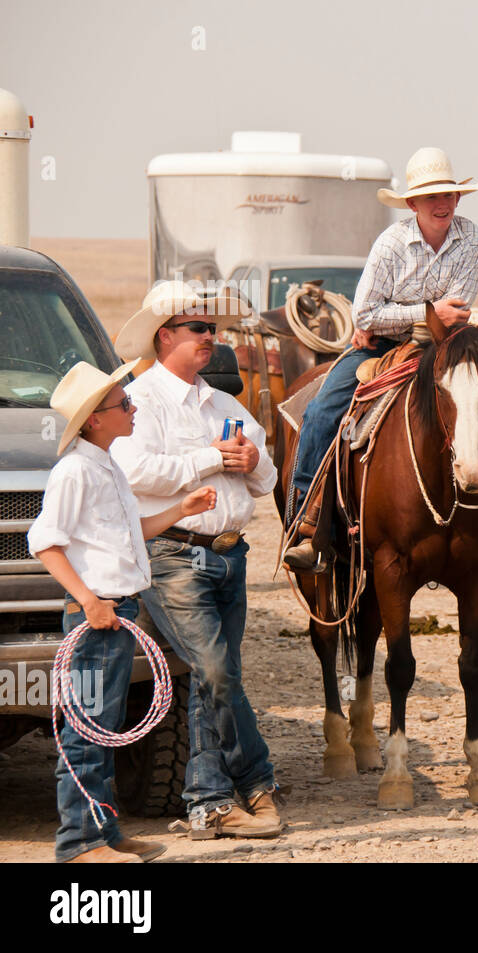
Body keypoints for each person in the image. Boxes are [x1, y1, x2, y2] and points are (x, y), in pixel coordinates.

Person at [283, 147, 478, 570]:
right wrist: (422, 315)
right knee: (321, 412)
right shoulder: (391, 244)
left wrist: (419, 317)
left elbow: (455, 311)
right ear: (413, 205)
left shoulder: (473, 238)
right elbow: (365, 314)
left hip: (443, 347)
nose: (442, 203)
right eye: (431, 197)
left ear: (458, 199)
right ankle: (307, 518)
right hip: (382, 348)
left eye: (448, 195)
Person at [112, 280, 286, 839]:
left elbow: (268, 480)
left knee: (218, 676)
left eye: (212, 328)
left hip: (230, 557)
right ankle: (240, 785)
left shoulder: (225, 403)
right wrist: (210, 459)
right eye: (199, 329)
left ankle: (221, 796)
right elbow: (135, 473)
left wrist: (252, 458)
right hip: (174, 555)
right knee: (214, 673)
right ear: (166, 336)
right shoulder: (140, 401)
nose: (212, 337)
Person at [29, 360, 216, 862]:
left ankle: (105, 835)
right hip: (96, 620)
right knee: (85, 731)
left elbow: (133, 533)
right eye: (122, 405)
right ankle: (79, 842)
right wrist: (88, 600)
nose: (132, 408)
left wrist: (181, 511)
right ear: (95, 419)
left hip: (114, 616)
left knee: (103, 729)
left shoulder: (107, 464)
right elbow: (45, 542)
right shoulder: (74, 471)